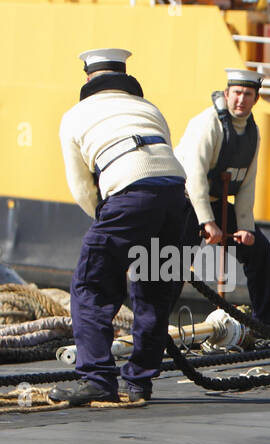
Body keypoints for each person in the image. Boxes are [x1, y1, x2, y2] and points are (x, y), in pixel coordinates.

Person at [53, 48, 188, 405]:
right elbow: (164, 161)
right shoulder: (150, 109)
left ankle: (97, 377)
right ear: (124, 77)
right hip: (176, 196)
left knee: (92, 286)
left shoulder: (74, 116)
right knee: (155, 288)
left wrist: (111, 224)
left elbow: (82, 187)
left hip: (128, 195)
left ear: (88, 79)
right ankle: (139, 382)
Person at [175, 68, 270, 327]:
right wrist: (207, 222)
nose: (240, 100)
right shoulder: (207, 124)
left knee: (258, 249)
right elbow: (195, 176)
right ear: (226, 93)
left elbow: (247, 182)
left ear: (256, 99)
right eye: (236, 93)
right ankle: (153, 331)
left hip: (217, 201)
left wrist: (245, 228)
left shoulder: (252, 132)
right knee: (175, 264)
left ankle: (267, 326)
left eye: (248, 94)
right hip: (186, 201)